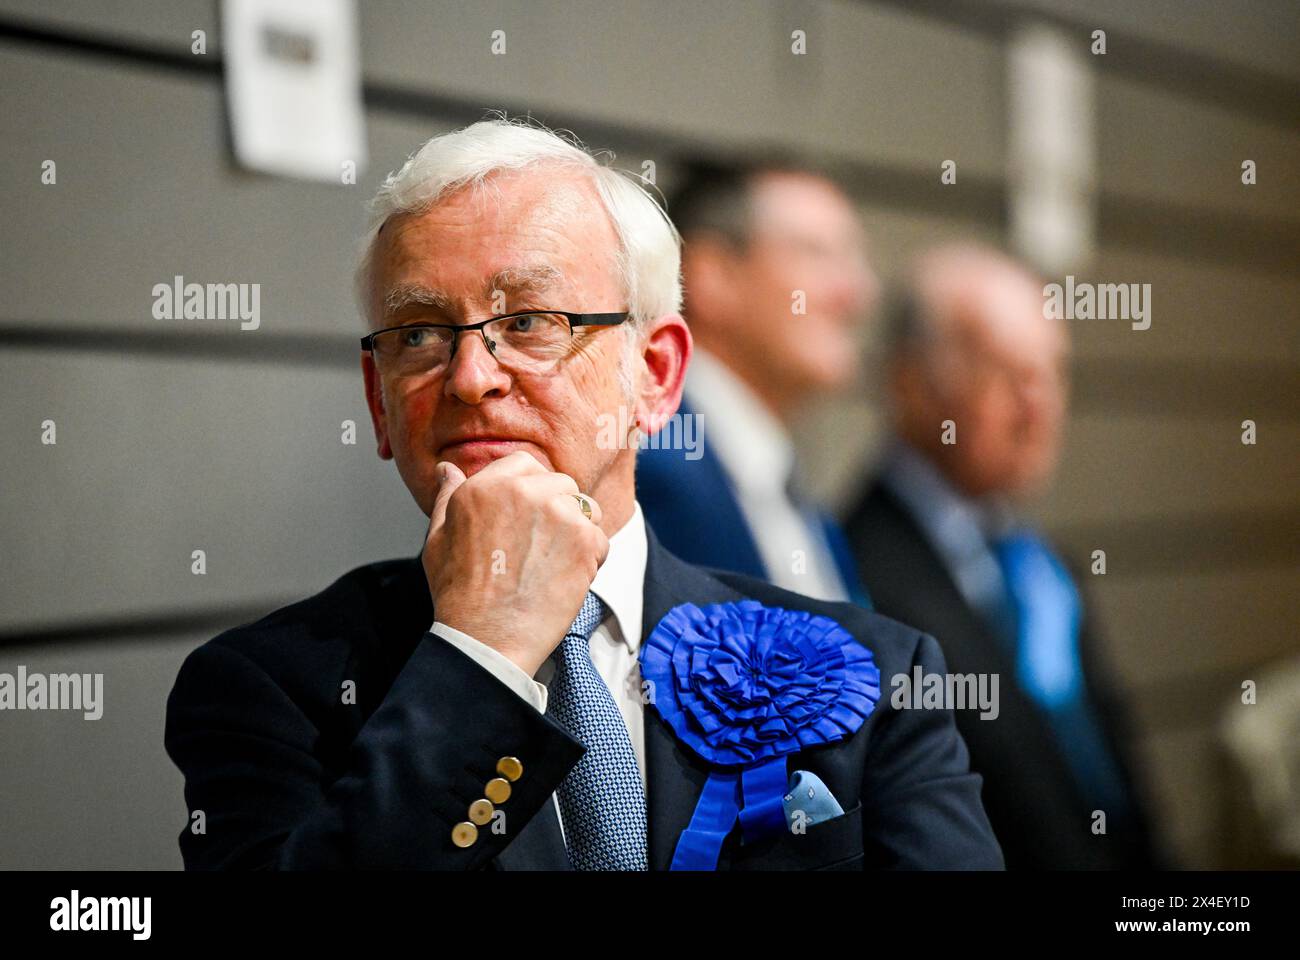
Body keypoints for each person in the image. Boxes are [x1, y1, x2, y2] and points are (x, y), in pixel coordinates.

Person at [164, 121, 1002, 871]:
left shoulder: (875, 677)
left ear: (656, 374)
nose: (469, 376)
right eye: (418, 333)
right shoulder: (267, 691)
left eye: (528, 322)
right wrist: (480, 654)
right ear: (378, 397)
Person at [842, 244, 1163, 869]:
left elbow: (1115, 786)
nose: (1037, 407)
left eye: (1052, 373)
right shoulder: (855, 575)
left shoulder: (1040, 566)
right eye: (1004, 373)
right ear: (911, 384)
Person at [636, 163, 877, 605]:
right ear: (713, 276)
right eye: (817, 254)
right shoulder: (646, 470)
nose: (857, 293)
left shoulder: (791, 493)